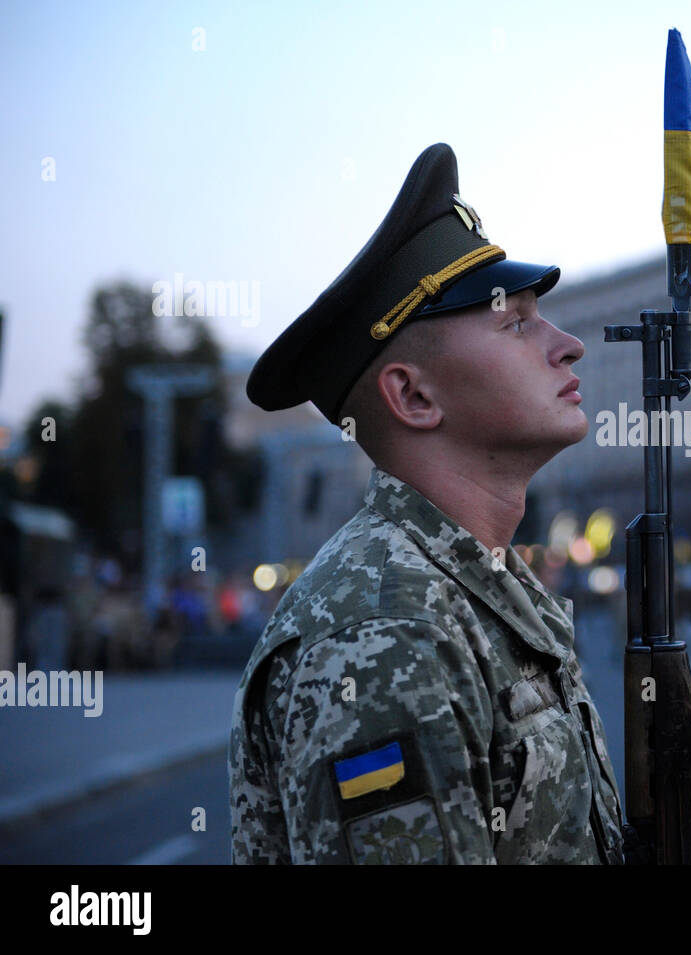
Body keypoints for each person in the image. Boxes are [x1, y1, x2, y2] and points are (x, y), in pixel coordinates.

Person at [228, 143, 624, 864]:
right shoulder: (385, 630)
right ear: (413, 396)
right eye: (517, 323)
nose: (568, 345)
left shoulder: (477, 588)